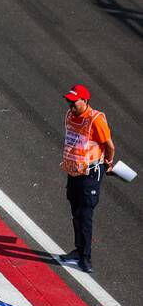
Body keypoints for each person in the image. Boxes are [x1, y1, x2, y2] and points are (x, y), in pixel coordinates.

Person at [58, 84, 116, 274]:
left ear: (85, 101)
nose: (71, 106)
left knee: (85, 215)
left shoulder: (95, 120)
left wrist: (109, 162)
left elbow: (109, 145)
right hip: (74, 172)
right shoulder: (71, 116)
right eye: (69, 102)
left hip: (90, 174)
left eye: (74, 102)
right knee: (76, 213)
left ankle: (85, 257)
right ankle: (78, 250)